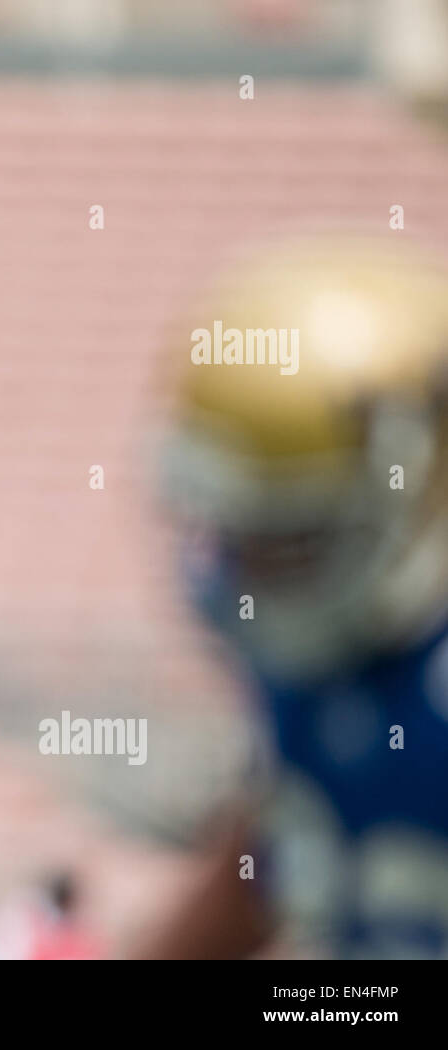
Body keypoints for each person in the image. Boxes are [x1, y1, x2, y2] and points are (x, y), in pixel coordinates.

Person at [142, 233, 448, 958]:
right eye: (238, 535)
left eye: (291, 539)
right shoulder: (326, 669)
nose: (249, 574)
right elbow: (279, 848)